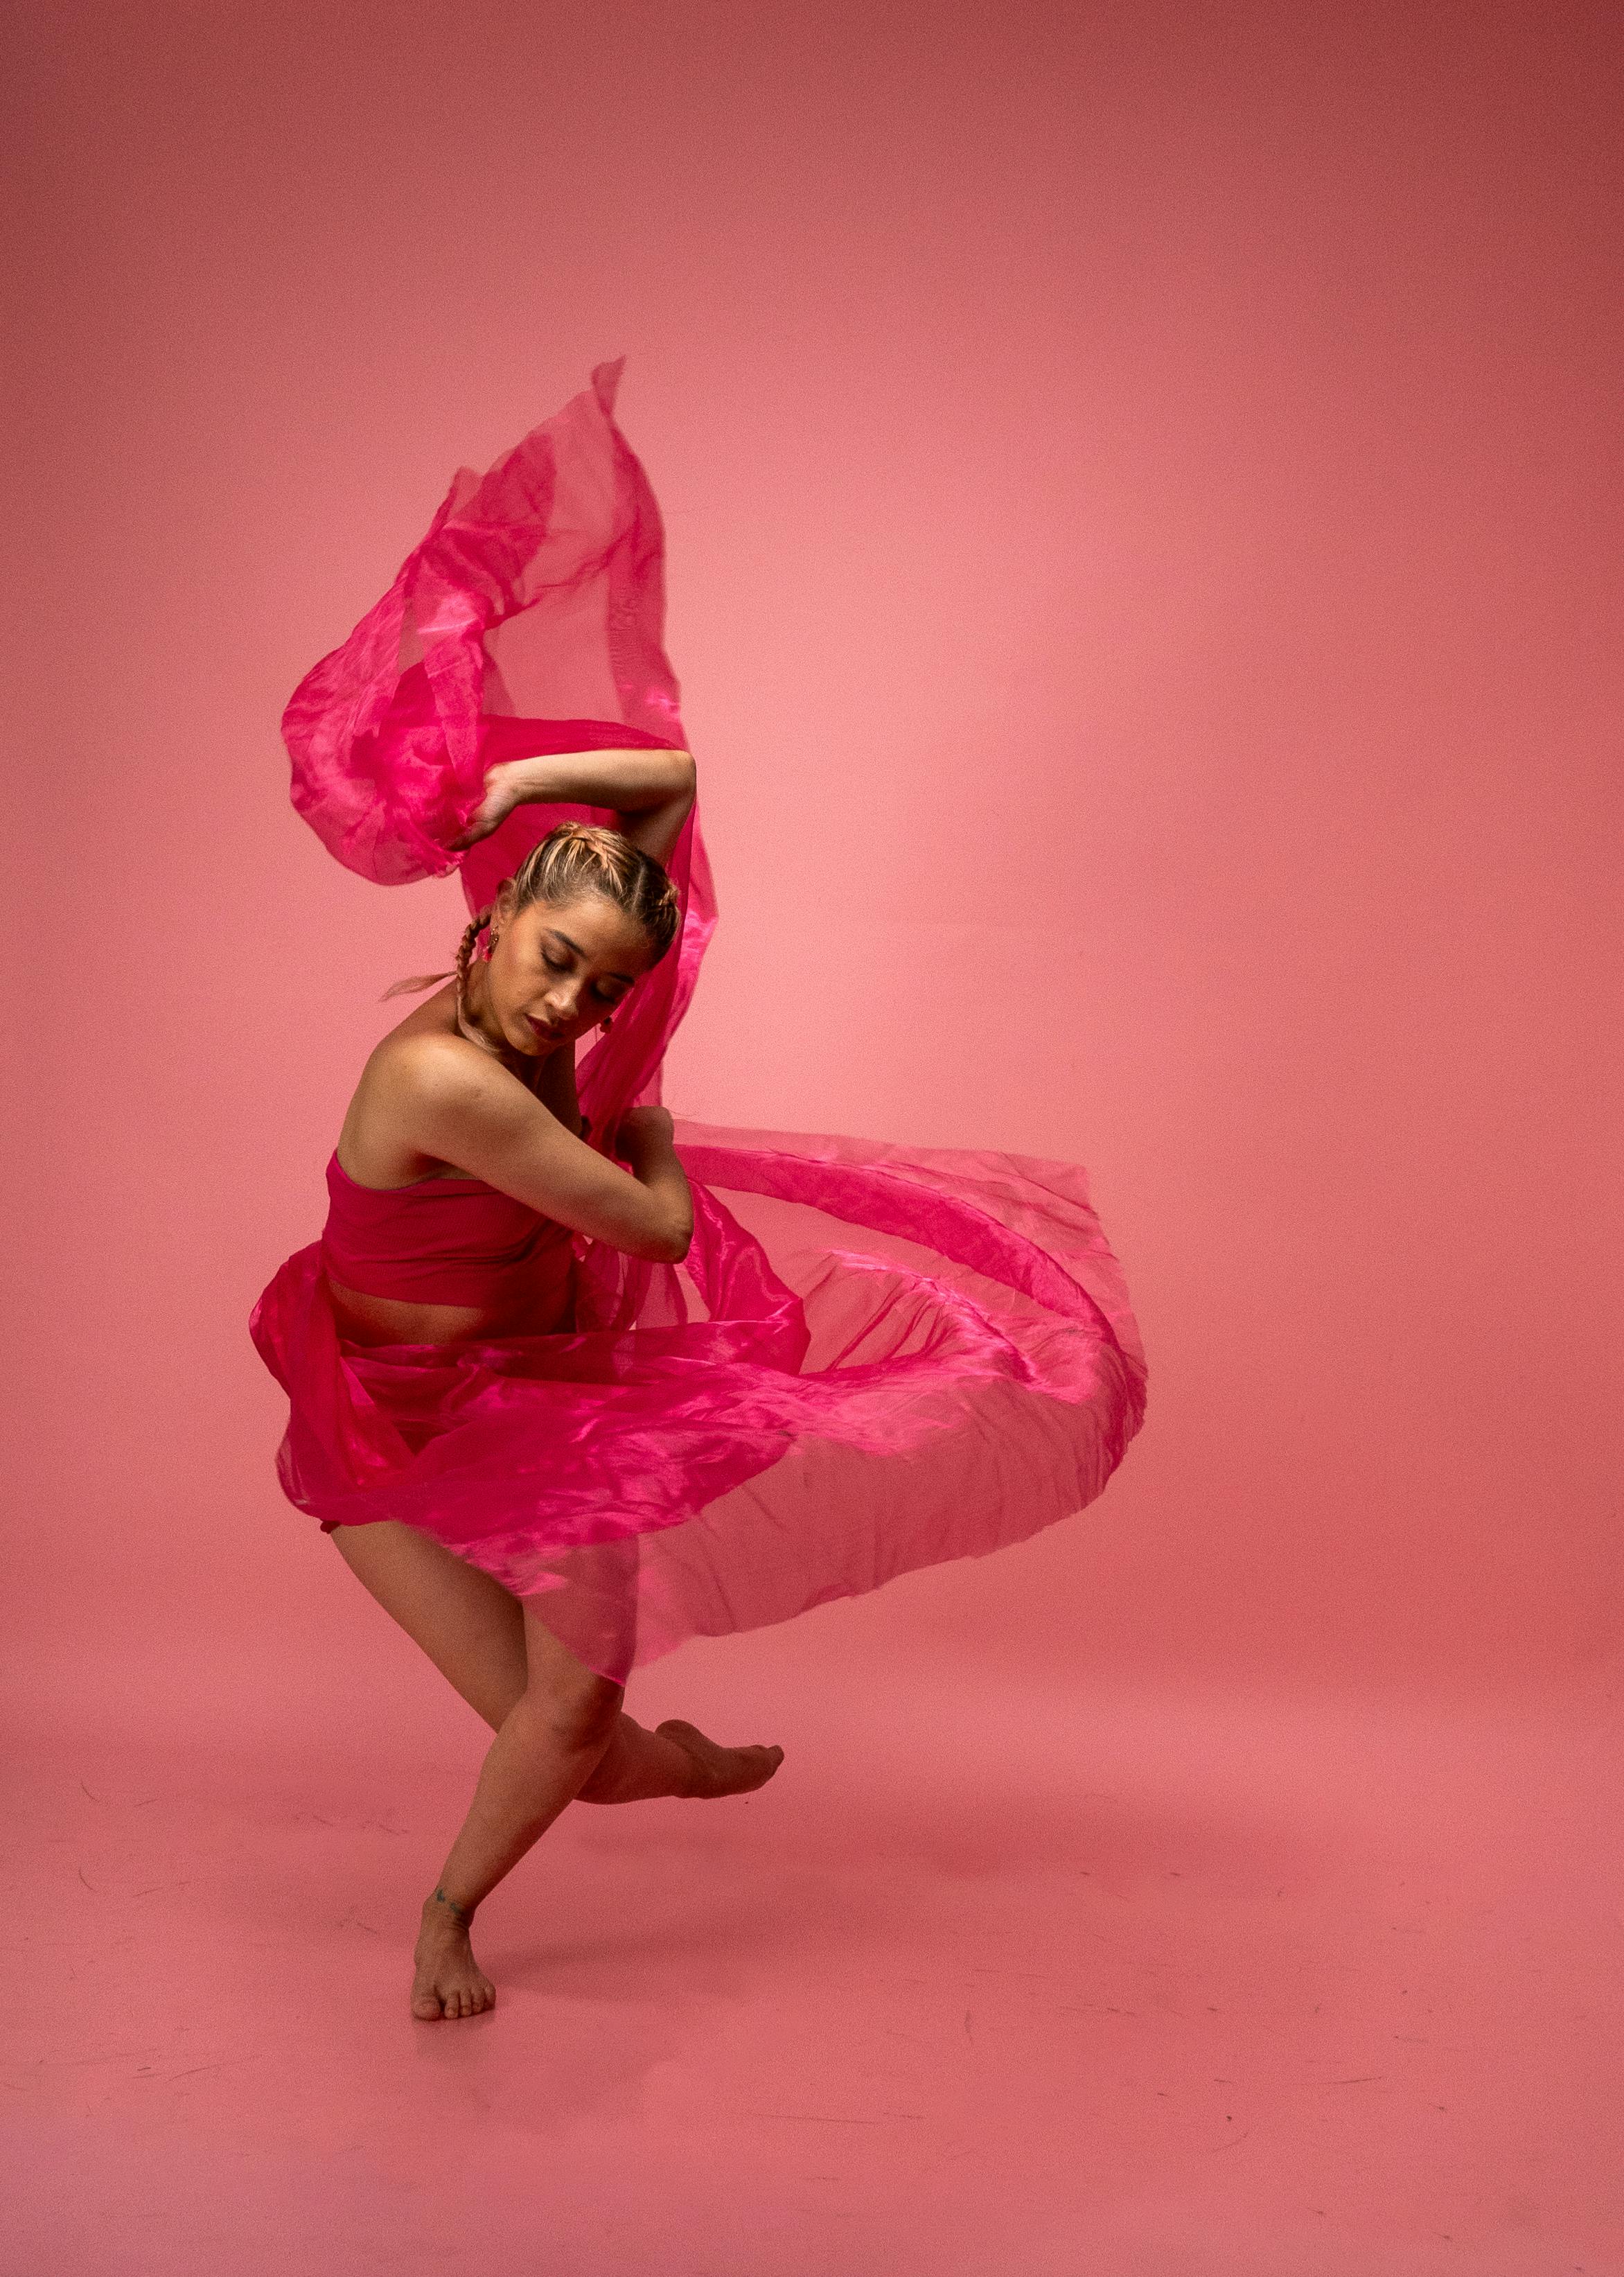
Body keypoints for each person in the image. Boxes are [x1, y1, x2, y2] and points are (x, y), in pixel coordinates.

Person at [251, 360, 1148, 2023]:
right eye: (551, 957)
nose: (571, 1005)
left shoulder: (561, 994)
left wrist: (520, 795)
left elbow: (665, 782)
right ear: (492, 919)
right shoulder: (439, 1077)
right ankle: (461, 1909)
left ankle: (602, 1797)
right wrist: (645, 1133)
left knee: (581, 1731)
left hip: (536, 1383)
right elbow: (652, 1220)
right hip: (384, 1417)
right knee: (555, 1725)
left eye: (599, 983)